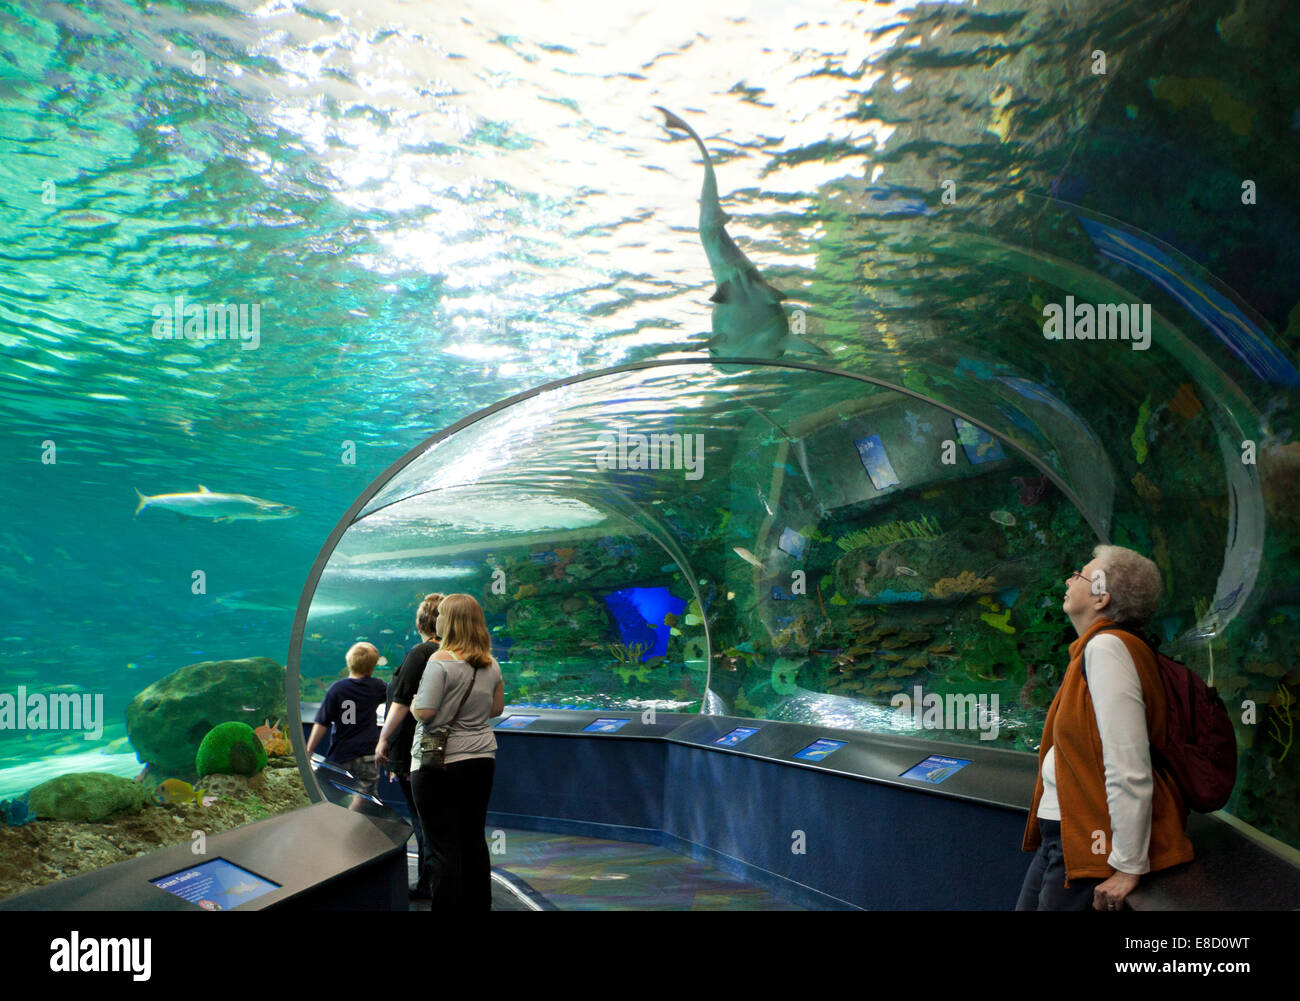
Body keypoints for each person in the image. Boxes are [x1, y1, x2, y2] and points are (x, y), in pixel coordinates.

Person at [1016, 544, 1194, 911]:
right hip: (1067, 834)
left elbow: (1128, 762)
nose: (1069, 580)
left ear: (1101, 598)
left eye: (1080, 575)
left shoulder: (1108, 648)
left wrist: (1128, 866)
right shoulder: (1096, 648)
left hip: (1087, 840)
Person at [410, 593, 505, 911]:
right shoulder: (491, 663)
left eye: (441, 614)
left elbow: (424, 711)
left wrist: (411, 703)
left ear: (448, 622)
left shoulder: (439, 661)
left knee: (442, 846)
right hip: (481, 761)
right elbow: (496, 708)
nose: (436, 619)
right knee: (473, 839)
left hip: (441, 763)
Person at [375, 592, 443, 900]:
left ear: (421, 621)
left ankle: (429, 882)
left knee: (422, 816)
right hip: (444, 746)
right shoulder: (455, 652)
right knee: (437, 815)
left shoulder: (421, 653)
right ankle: (443, 879)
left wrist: (383, 738)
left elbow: (401, 702)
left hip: (416, 748)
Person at [306, 642, 388, 811]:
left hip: (341, 753)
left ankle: (335, 818)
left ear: (348, 662)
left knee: (328, 791)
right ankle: (357, 819)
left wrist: (308, 750)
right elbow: (395, 697)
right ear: (373, 667)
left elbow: (322, 723)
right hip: (367, 753)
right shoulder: (377, 686)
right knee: (367, 794)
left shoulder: (337, 688)